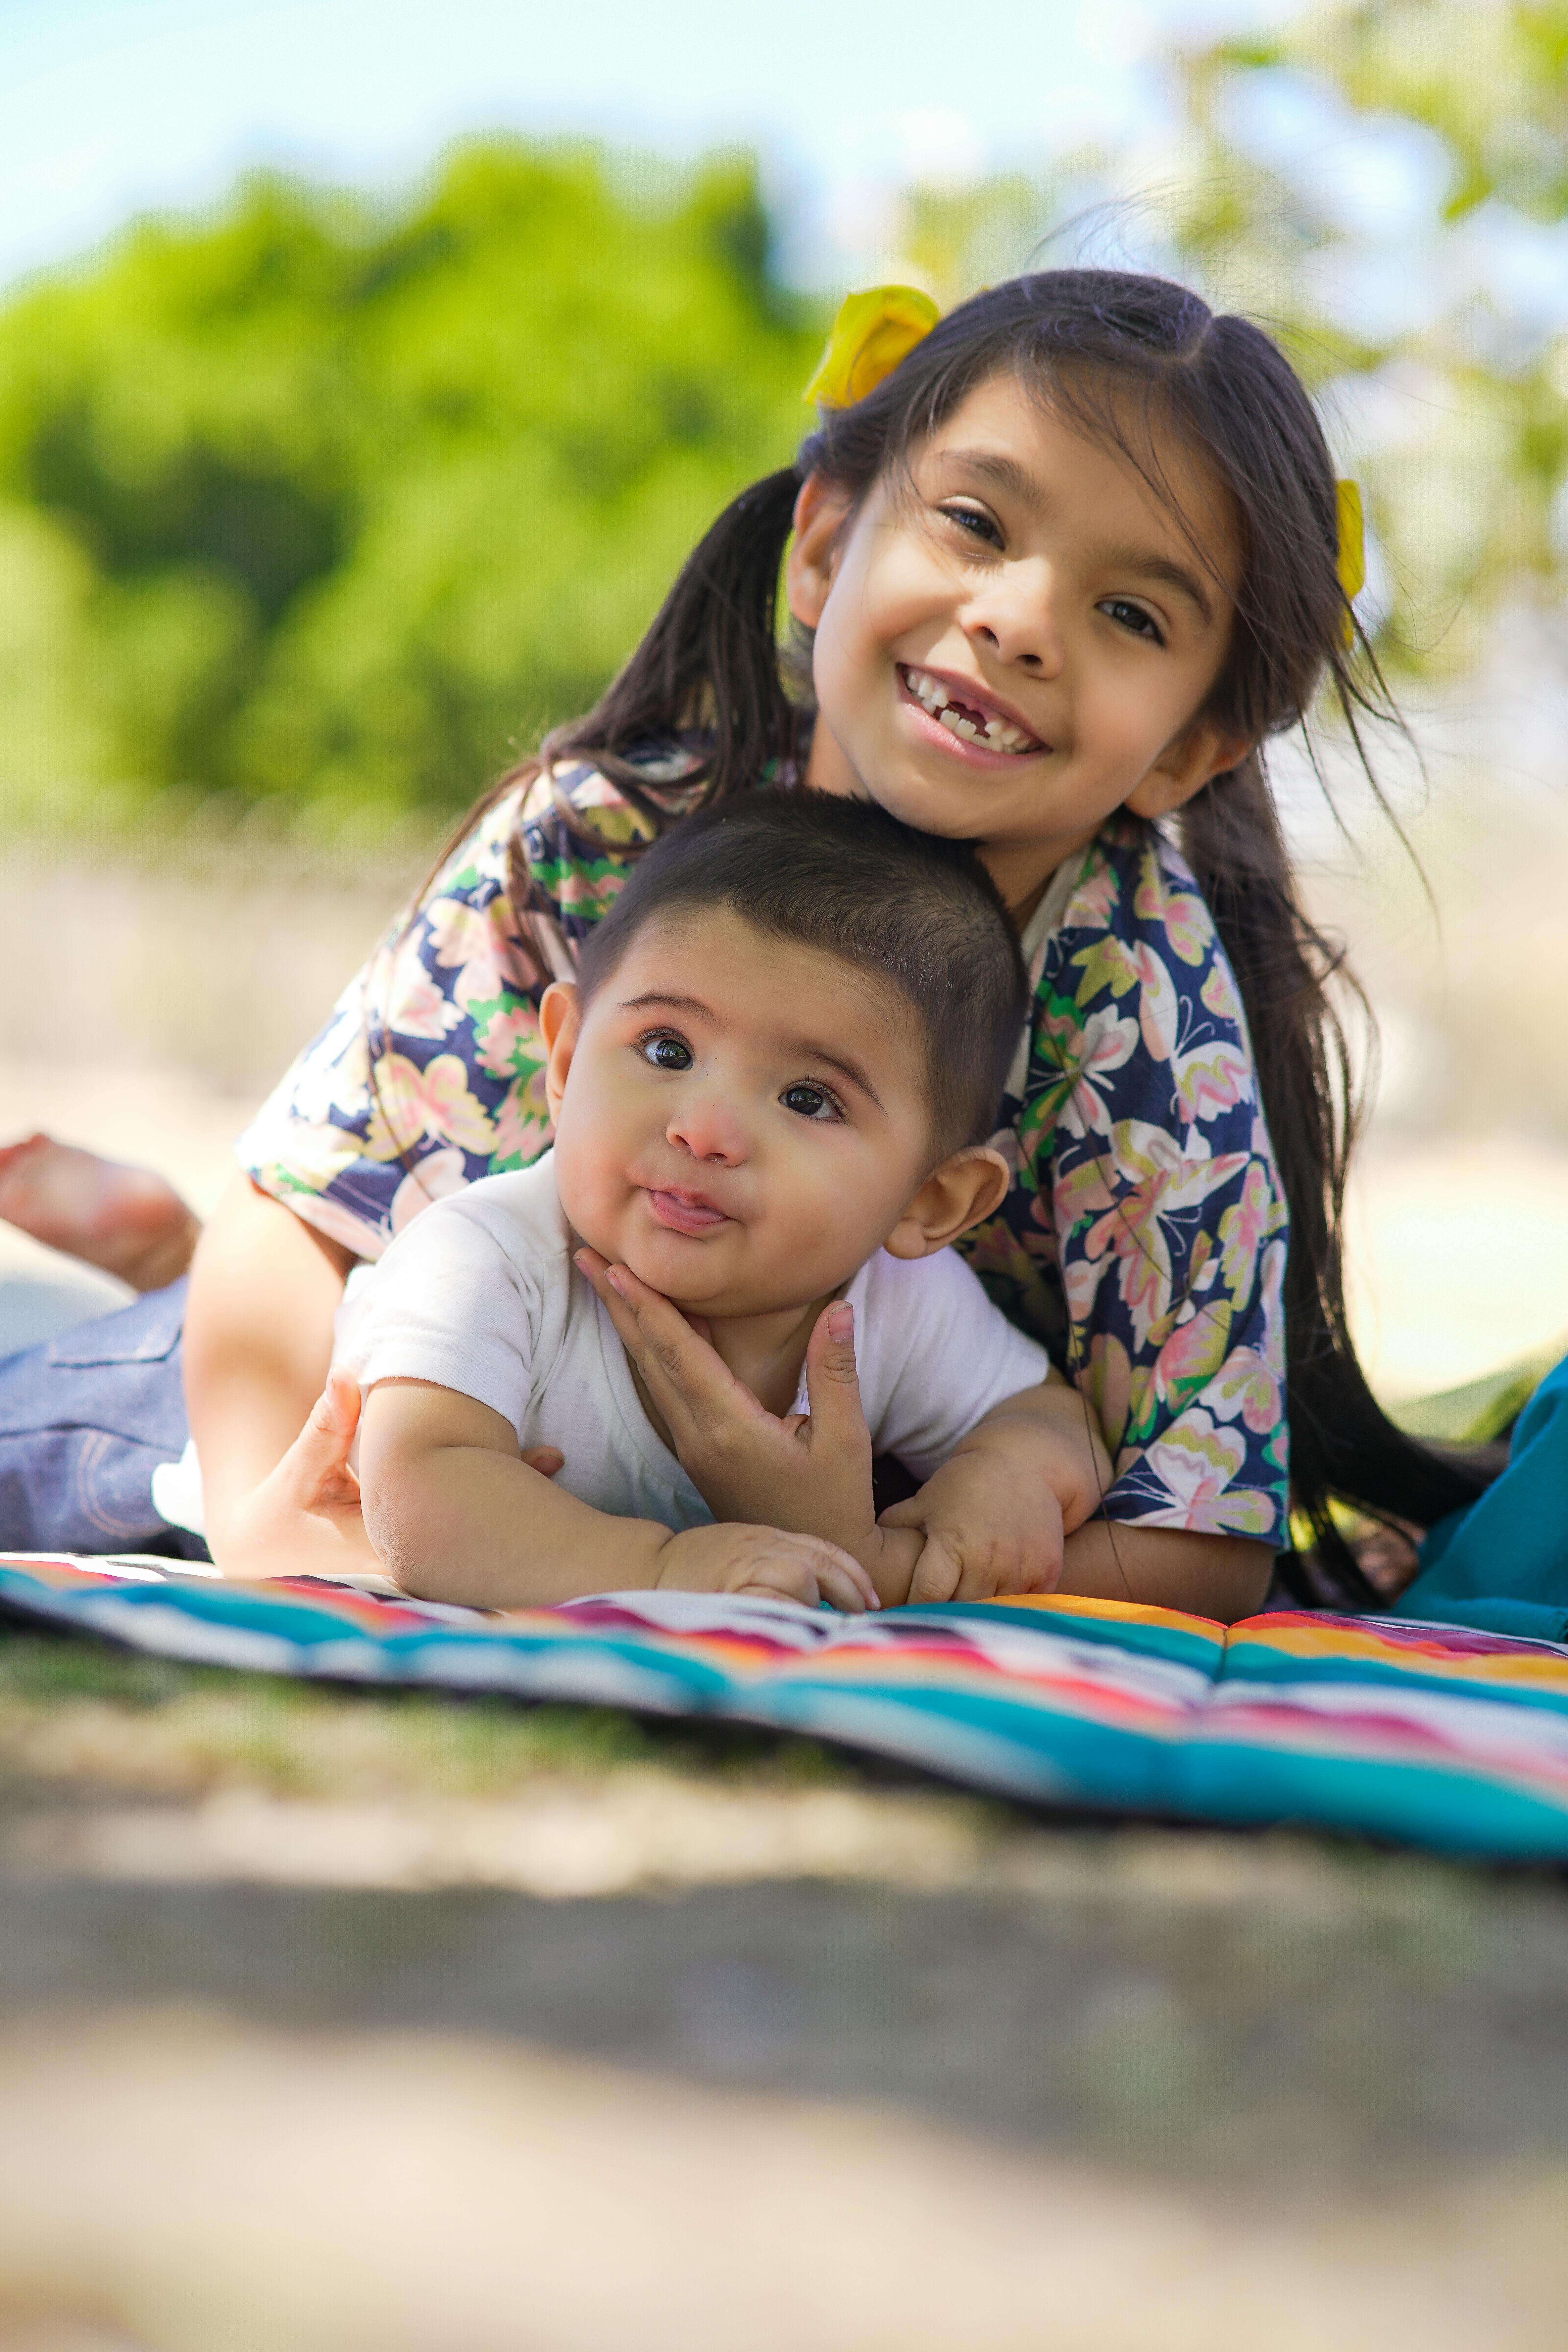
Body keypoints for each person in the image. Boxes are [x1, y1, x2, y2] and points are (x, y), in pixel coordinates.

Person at [0, 267, 1489, 1614]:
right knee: (89, 1420)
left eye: (1129, 613)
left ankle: (148, 1252)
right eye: (975, 523)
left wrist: (859, 1563)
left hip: (736, 1501)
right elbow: (311, 1213)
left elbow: (1200, 1527)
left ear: (1191, 750)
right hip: (384, 1385)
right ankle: (157, 1276)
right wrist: (277, 1532)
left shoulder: (1142, 1016)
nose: (1024, 620)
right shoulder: (594, 842)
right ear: (826, 548)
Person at [348, 790, 1112, 1611]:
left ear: (929, 1201)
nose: (705, 1130)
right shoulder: (485, 1259)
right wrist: (662, 1569)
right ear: (566, 1060)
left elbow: (1046, 1415)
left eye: (808, 1099)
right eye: (667, 1049)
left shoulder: (888, 1303)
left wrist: (1006, 1474)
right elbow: (420, 1495)